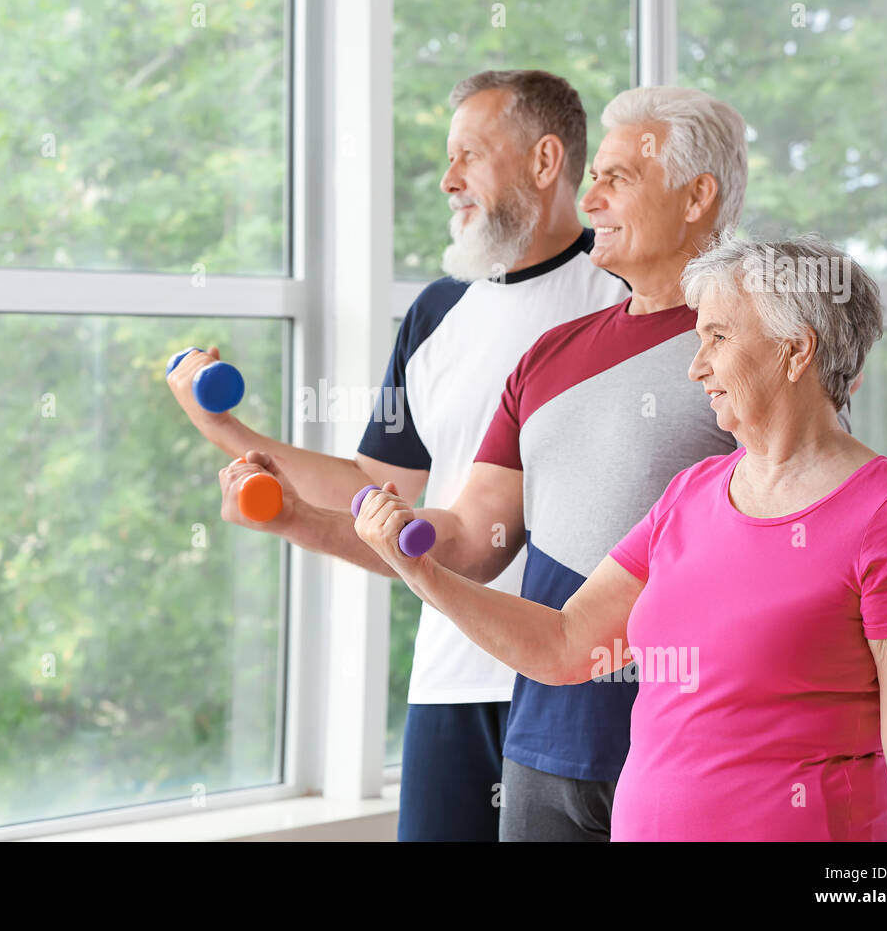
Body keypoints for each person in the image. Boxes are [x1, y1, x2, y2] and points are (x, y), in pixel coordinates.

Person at [227, 86, 758, 840]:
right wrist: (302, 519)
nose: (591, 197)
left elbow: (804, 535)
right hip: (545, 743)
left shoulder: (761, 344)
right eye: (593, 175)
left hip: (689, 738)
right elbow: (475, 537)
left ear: (698, 195)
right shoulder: (548, 357)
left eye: (616, 179)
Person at [352, 234, 887, 841]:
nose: (696, 365)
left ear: (795, 350)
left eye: (719, 338)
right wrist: (424, 575)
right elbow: (566, 645)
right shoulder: (691, 494)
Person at [170, 69, 629, 840]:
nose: (448, 181)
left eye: (470, 156)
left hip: (587, 681)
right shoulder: (437, 310)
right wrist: (234, 437)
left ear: (546, 162)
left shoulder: (623, 291)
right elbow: (379, 489)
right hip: (453, 674)